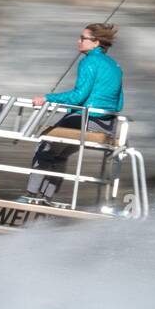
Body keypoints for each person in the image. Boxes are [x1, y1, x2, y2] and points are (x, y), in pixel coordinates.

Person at [18, 23, 123, 205]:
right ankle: (45, 198)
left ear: (96, 42)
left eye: (83, 38)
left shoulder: (89, 62)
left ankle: (30, 195)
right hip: (107, 125)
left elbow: (78, 96)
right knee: (60, 154)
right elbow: (119, 102)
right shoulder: (114, 65)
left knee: (45, 148)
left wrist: (47, 98)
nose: (79, 41)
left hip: (86, 120)